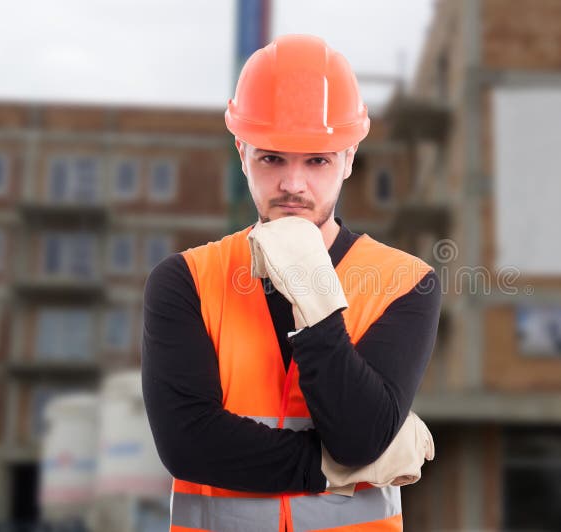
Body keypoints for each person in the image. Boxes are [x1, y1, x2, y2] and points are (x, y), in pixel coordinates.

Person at [141, 34, 441, 532]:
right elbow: (188, 445)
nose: (293, 185)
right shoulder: (184, 281)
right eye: (272, 158)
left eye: (318, 160)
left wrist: (315, 298)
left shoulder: (407, 283)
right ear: (242, 152)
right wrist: (329, 468)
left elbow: (359, 438)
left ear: (348, 158)